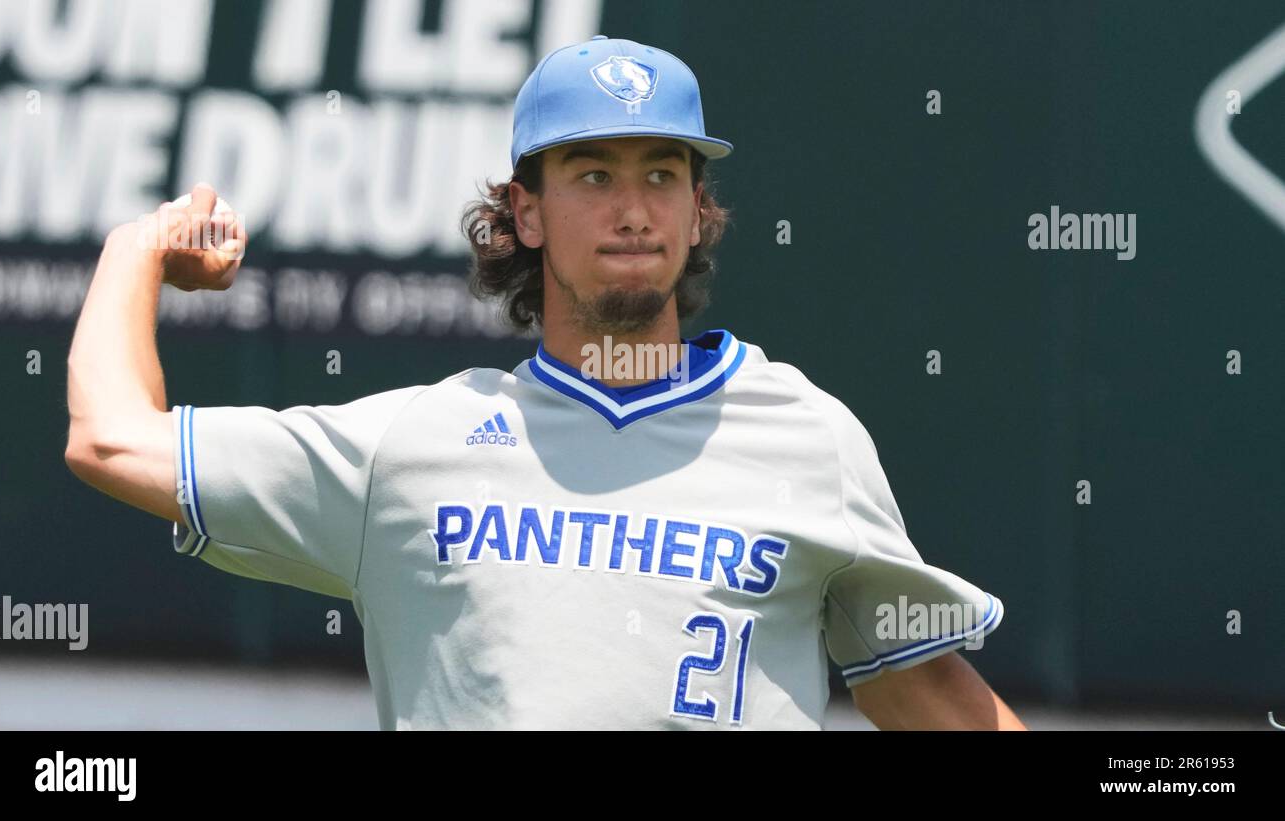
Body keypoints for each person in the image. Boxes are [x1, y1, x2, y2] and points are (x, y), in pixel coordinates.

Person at [65, 36, 1024, 730]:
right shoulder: (411, 449)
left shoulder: (807, 439)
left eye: (662, 174)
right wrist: (135, 249)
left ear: (698, 210)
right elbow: (109, 437)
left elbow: (935, 701)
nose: (634, 209)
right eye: (593, 174)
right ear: (525, 210)